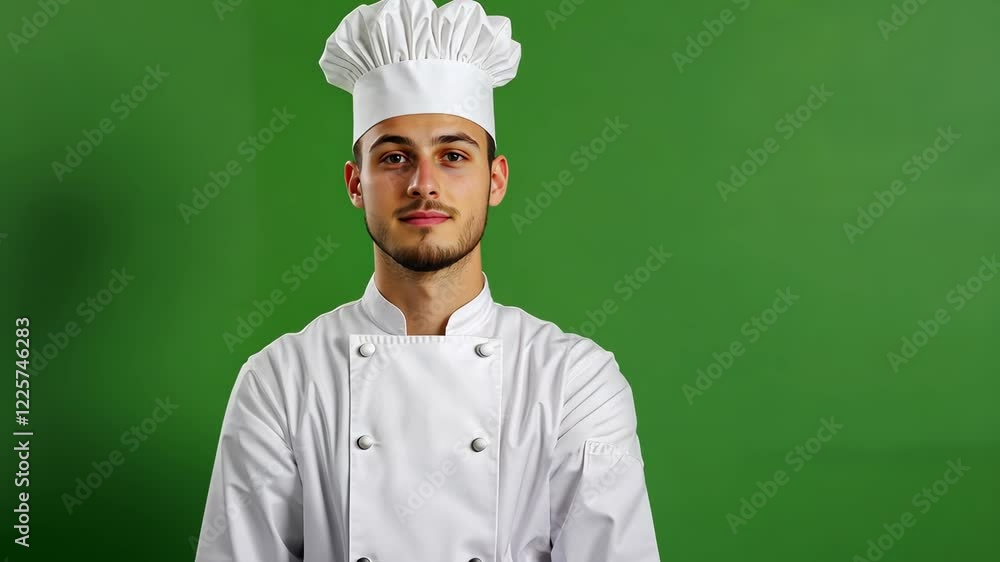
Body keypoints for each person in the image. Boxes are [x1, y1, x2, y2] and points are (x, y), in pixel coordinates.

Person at [193, 0, 660, 560]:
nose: (424, 184)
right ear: (356, 184)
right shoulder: (280, 383)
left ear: (496, 179)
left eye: (453, 155)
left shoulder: (574, 382)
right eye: (394, 157)